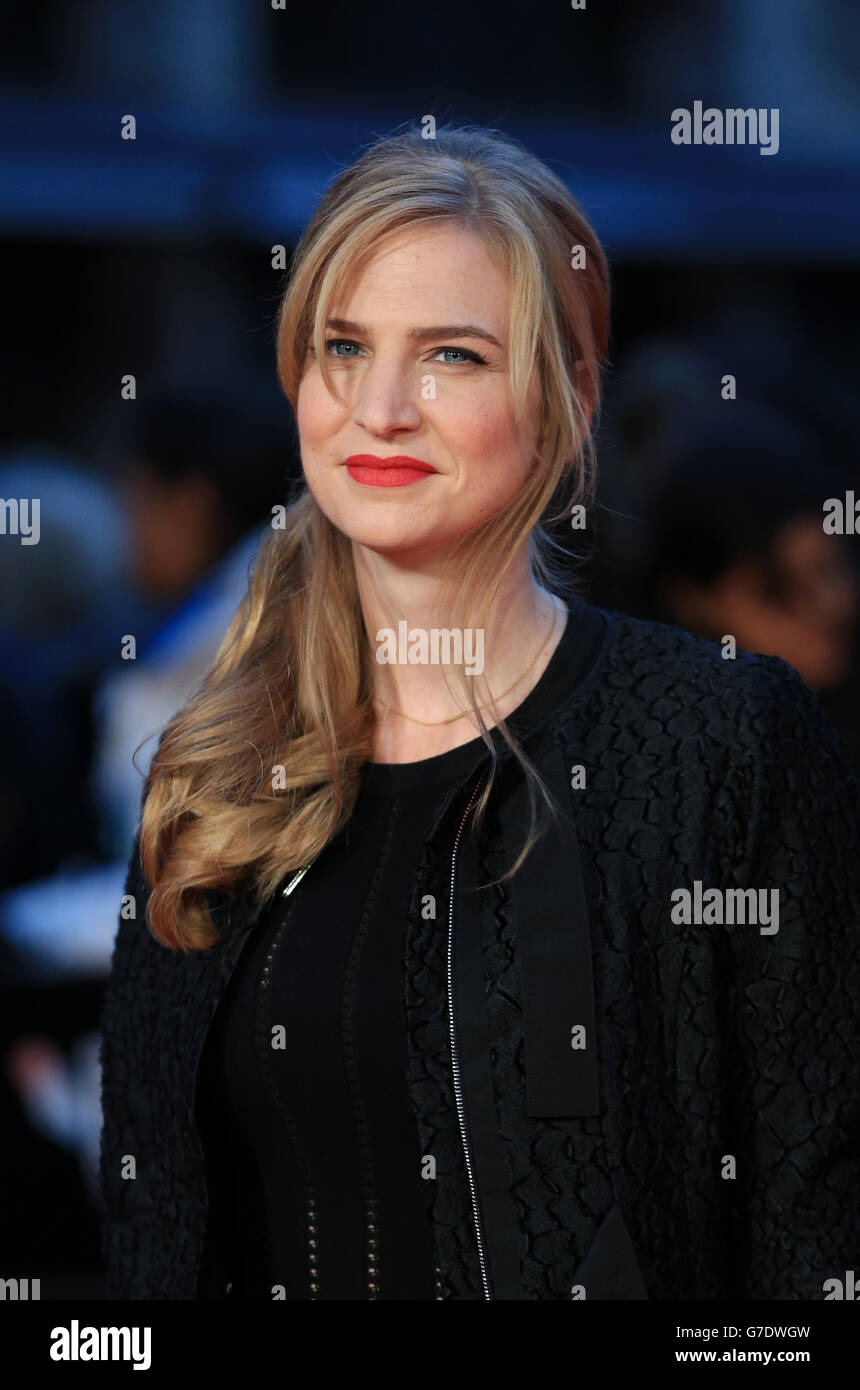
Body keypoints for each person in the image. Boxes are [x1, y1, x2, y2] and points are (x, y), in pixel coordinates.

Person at [99, 123, 860, 1301]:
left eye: (451, 355)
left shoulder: (719, 739)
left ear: (568, 396)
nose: (382, 408)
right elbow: (154, 1232)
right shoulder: (213, 772)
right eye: (344, 346)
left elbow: (817, 1221)